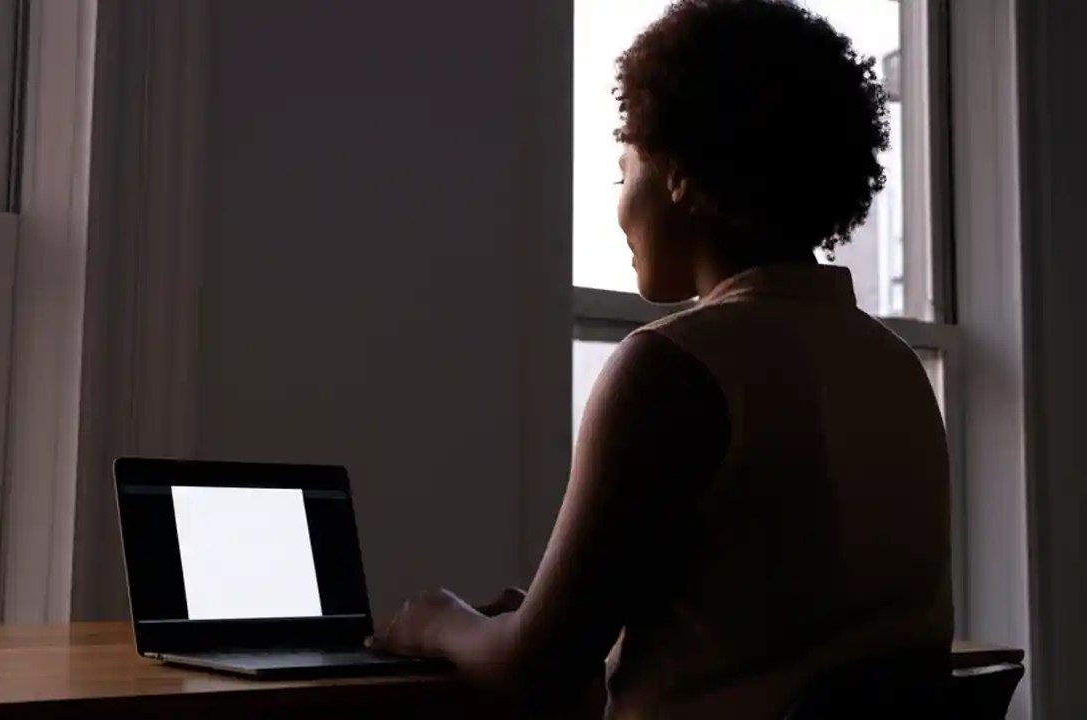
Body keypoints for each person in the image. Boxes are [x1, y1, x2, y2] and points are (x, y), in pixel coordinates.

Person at [369, 0, 953, 717]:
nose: (619, 204)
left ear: (677, 169)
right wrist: (562, 618)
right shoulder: (896, 370)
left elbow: (533, 670)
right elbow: (773, 639)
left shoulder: (672, 367)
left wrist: (439, 620)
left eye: (624, 169)